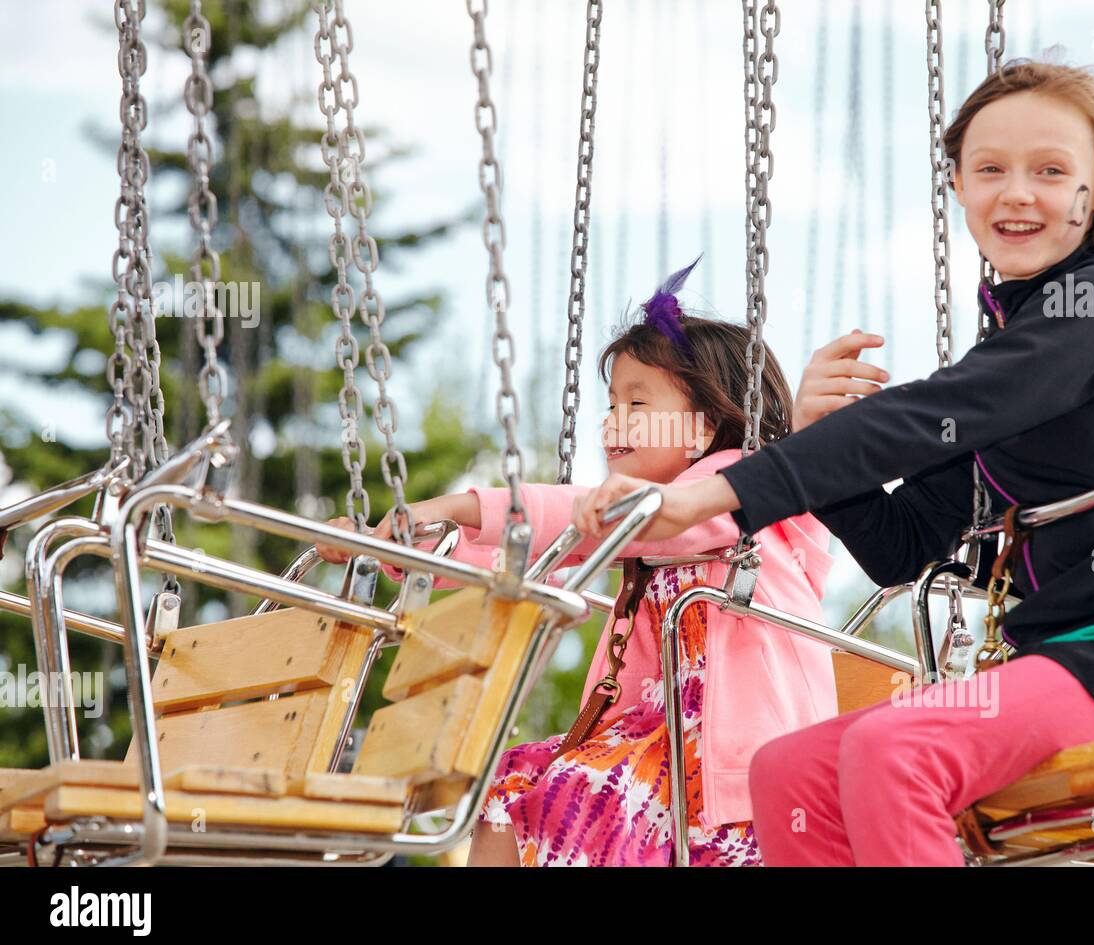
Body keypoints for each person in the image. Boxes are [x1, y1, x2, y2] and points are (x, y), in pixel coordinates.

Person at [570, 62, 1094, 866]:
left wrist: (709, 495)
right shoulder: (1021, 359)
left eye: (1052, 171)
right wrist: (817, 432)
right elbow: (900, 541)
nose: (1017, 192)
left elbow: (932, 413)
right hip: (1061, 669)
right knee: (789, 769)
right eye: (990, 170)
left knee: (895, 747)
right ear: (957, 186)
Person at [319, 258, 853, 865]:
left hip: (739, 771)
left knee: (584, 787)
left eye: (637, 402)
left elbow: (611, 517)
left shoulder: (737, 490)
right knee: (513, 785)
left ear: (702, 433)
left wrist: (456, 504)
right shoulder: (645, 530)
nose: (611, 422)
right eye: (610, 403)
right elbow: (526, 560)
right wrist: (394, 543)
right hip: (663, 748)